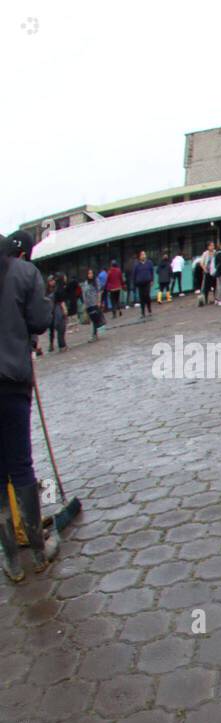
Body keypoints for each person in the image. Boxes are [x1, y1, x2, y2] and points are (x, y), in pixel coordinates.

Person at [0, 230, 57, 584]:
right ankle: (37, 552)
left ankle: (12, 562)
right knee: (21, 465)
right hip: (11, 380)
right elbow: (40, 320)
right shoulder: (23, 272)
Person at [45, 276, 68, 351]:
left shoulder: (57, 289)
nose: (52, 282)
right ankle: (51, 344)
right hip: (50, 312)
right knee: (51, 330)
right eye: (51, 281)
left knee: (60, 327)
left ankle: (62, 344)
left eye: (53, 280)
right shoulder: (46, 291)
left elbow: (60, 300)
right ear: (48, 282)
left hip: (56, 310)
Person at [131, 250, 155, 318]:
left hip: (147, 282)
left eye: (144, 254)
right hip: (140, 283)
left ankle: (149, 310)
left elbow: (152, 271)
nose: (143, 256)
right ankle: (142, 312)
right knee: (142, 298)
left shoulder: (149, 263)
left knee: (147, 295)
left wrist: (152, 280)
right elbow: (134, 274)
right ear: (139, 256)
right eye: (142, 255)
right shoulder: (137, 264)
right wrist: (135, 283)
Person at [82, 269, 104, 340]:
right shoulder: (85, 283)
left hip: (94, 303)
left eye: (91, 273)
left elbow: (99, 292)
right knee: (92, 319)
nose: (90, 275)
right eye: (89, 273)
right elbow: (84, 294)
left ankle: (94, 334)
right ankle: (95, 333)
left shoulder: (96, 281)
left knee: (95, 319)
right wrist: (84, 304)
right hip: (88, 304)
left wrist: (99, 301)